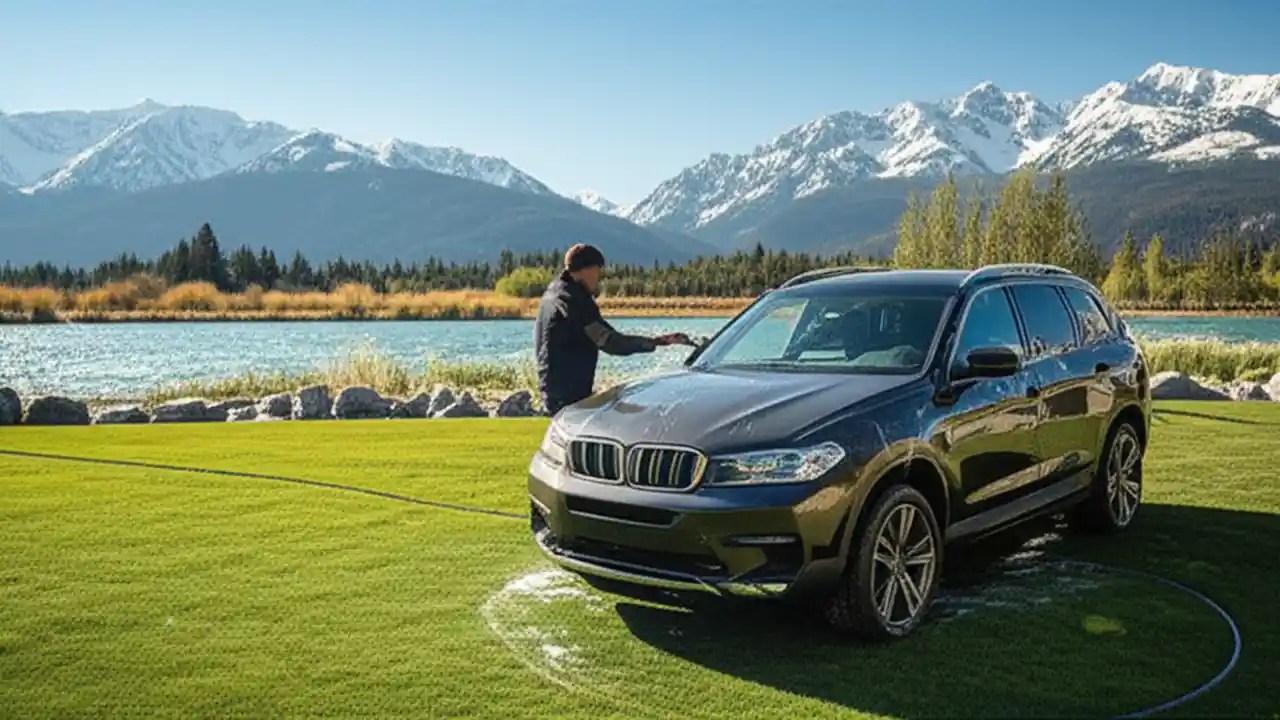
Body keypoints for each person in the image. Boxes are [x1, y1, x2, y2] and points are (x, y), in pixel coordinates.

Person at [535, 244, 689, 415]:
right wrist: (656, 342)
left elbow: (605, 334)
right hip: (566, 395)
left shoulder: (554, 292)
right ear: (587, 270)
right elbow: (610, 342)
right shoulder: (572, 299)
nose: (598, 277)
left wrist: (657, 341)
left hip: (554, 388)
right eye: (597, 271)